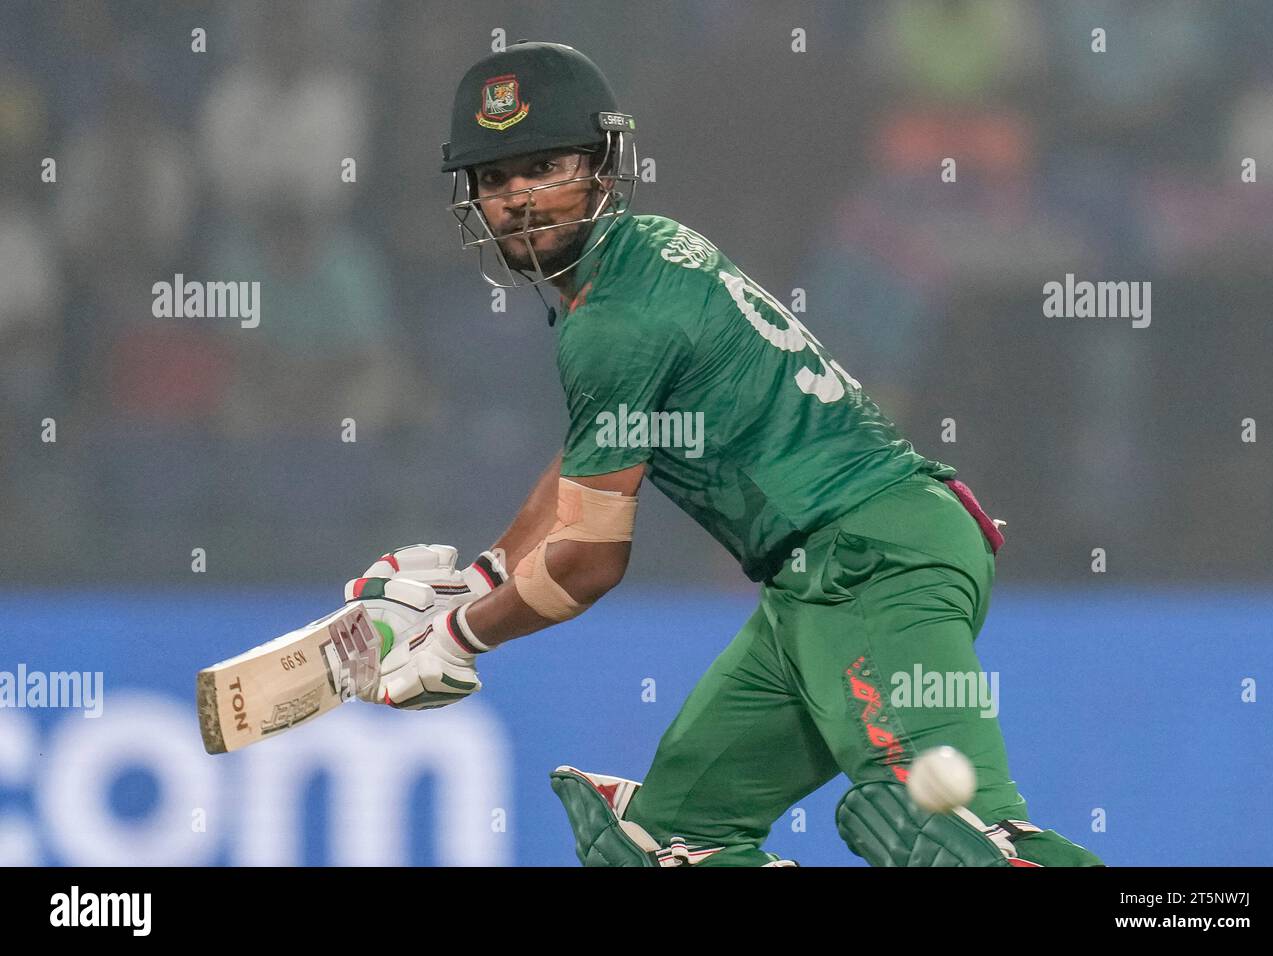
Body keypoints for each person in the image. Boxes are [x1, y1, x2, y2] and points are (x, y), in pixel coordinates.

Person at [343, 40, 1102, 868]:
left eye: (544, 165)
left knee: (967, 849)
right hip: (823, 576)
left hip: (869, 563)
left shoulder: (613, 324)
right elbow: (590, 458)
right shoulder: (649, 250)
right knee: (668, 848)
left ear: (602, 168)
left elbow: (590, 563)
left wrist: (459, 636)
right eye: (494, 177)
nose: (519, 196)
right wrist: (487, 572)